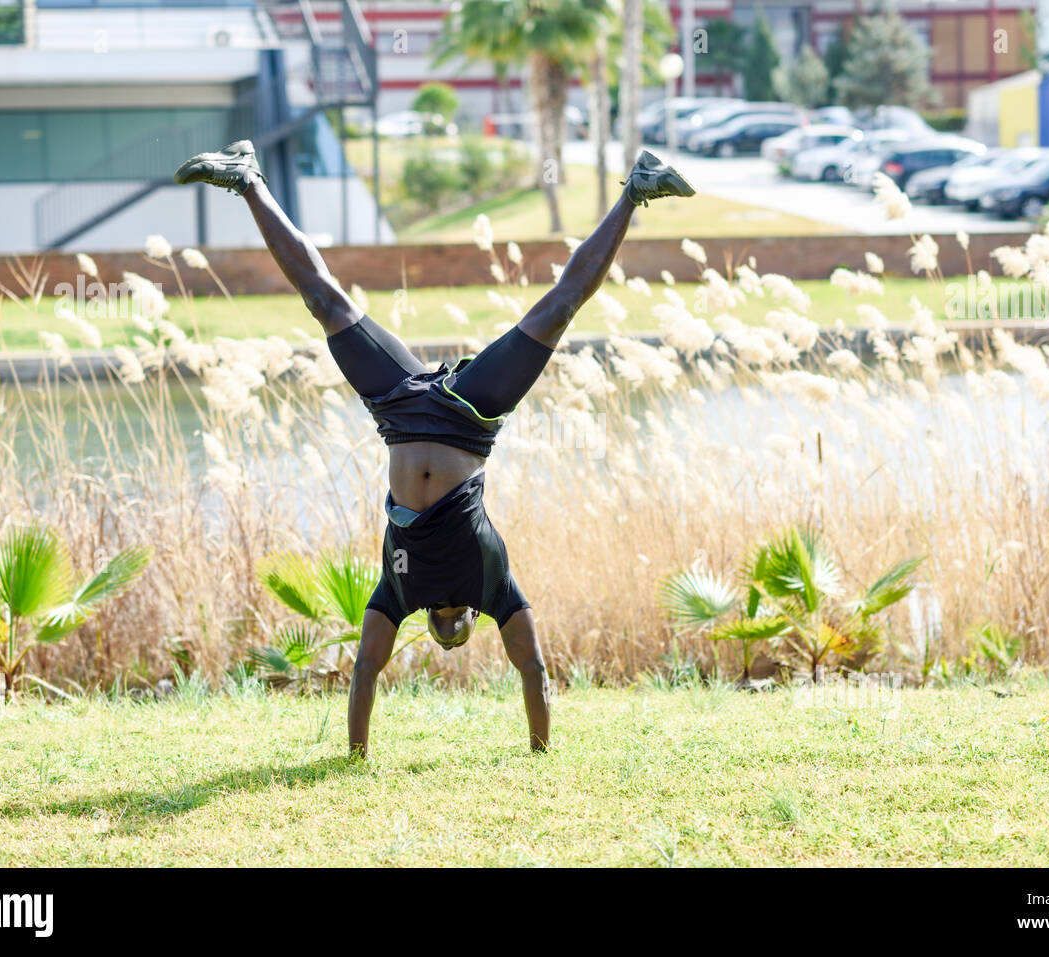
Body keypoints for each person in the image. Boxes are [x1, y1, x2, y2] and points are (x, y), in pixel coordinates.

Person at [174, 140, 694, 756]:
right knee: (557, 310)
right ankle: (638, 188)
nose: (450, 635)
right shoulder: (493, 588)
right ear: (474, 622)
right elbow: (534, 668)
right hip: (470, 416)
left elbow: (366, 670)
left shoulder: (400, 594)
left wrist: (357, 758)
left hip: (396, 409)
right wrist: (540, 751)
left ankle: (247, 178)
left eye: (442, 637)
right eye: (460, 636)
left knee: (325, 301)